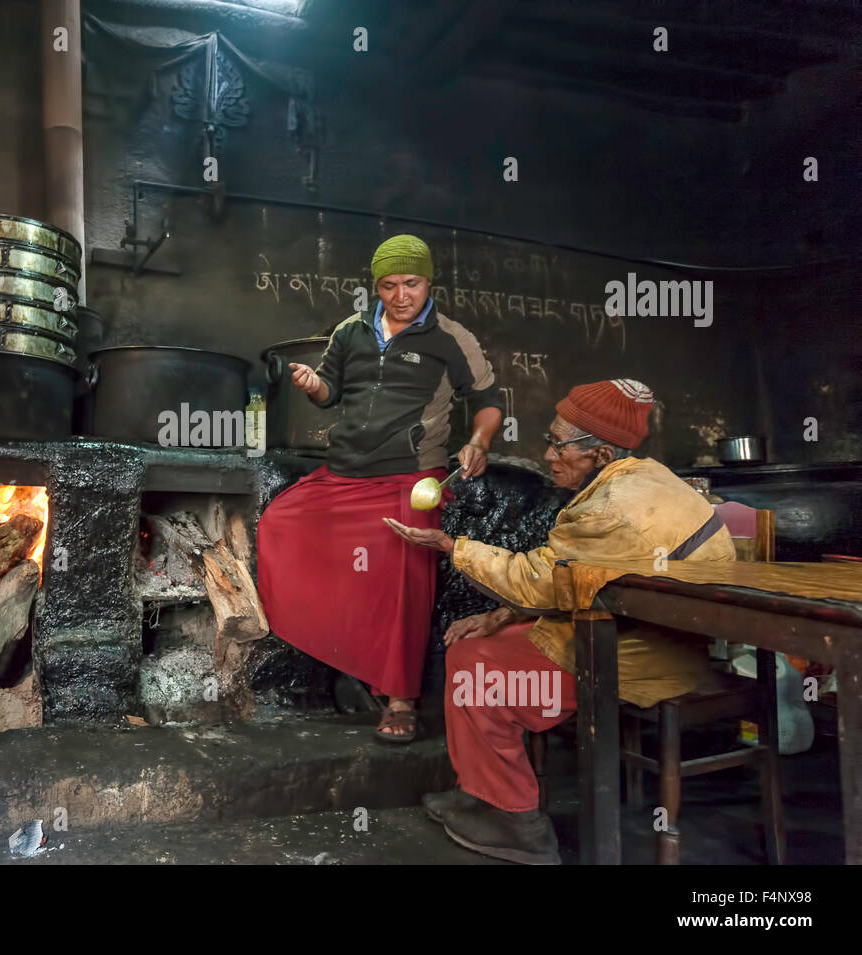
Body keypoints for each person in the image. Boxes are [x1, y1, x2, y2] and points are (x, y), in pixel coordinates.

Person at [384, 379, 736, 863]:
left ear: (602, 452)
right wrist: (499, 614)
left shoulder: (613, 509)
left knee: (473, 668)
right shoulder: (648, 478)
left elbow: (540, 580)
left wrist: (452, 547)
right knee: (487, 639)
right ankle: (478, 791)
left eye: (558, 443)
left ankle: (513, 819)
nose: (549, 454)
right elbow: (579, 579)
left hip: (640, 657)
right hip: (637, 633)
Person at [256, 234, 503, 743]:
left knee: (404, 575)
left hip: (411, 476)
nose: (401, 294)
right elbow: (330, 394)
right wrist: (310, 384)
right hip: (345, 472)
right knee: (279, 523)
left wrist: (478, 441)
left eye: (411, 283)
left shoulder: (451, 338)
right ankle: (344, 650)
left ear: (428, 281)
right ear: (377, 286)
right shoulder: (350, 331)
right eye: (389, 285)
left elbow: (487, 400)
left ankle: (400, 699)